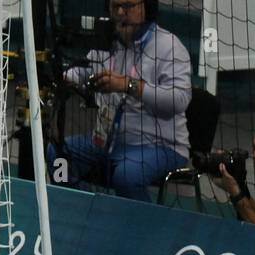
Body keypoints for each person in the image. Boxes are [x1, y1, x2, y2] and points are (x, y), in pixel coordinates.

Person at [52, 0, 191, 202]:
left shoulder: (169, 47)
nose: (119, 12)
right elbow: (85, 69)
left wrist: (129, 86)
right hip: (107, 141)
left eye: (127, 6)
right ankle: (80, 208)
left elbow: (179, 100)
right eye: (114, 6)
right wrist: (64, 78)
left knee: (127, 175)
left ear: (146, 8)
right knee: (57, 155)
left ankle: (138, 227)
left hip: (161, 147)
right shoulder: (106, 40)